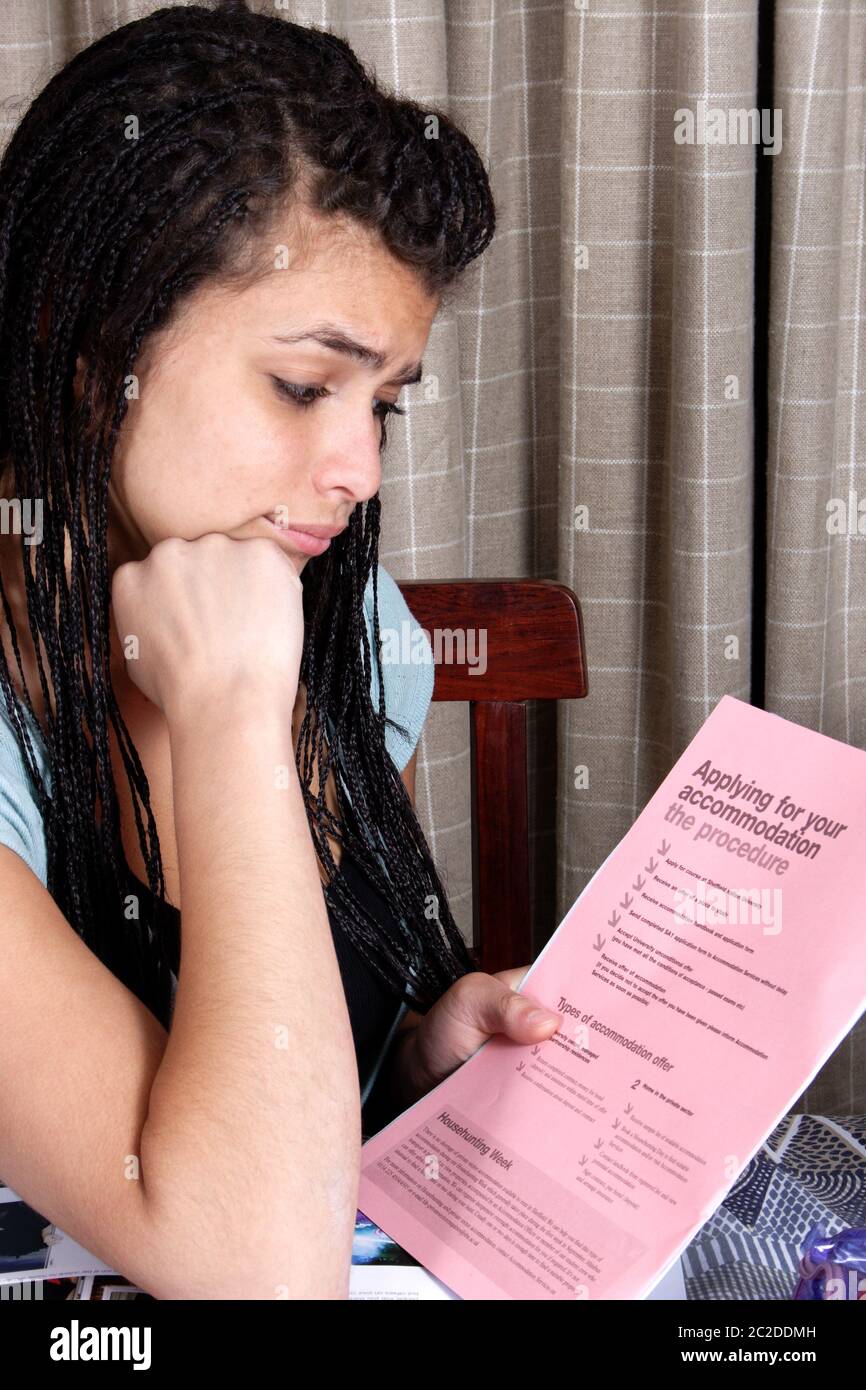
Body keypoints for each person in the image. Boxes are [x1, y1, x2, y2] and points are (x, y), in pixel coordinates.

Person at [0, 0, 561, 1299]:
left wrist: (418, 1055)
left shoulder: (348, 630)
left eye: (386, 405)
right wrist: (233, 717)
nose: (358, 470)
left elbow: (289, 1058)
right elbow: (253, 1273)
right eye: (305, 386)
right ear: (93, 355)